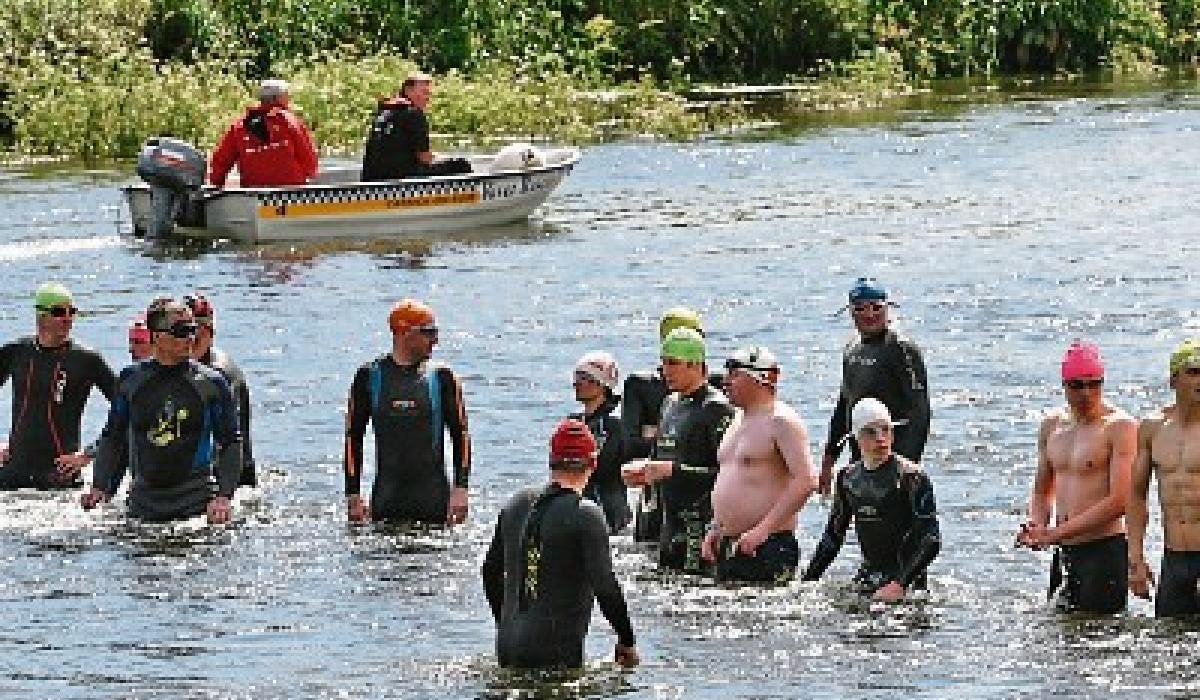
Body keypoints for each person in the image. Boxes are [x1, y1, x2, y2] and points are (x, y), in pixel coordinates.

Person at [482, 419, 638, 669]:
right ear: (593, 463)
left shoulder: (517, 504)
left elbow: (490, 571)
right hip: (554, 655)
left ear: (551, 460)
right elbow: (605, 586)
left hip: (507, 647)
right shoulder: (586, 515)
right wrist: (627, 640)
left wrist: (509, 624)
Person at [81, 298, 242, 523]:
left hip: (195, 506)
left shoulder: (212, 383)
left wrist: (224, 496)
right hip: (142, 506)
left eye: (192, 329)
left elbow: (230, 441)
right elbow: (113, 437)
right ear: (156, 335)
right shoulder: (130, 380)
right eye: (181, 331)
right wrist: (99, 487)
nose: (190, 337)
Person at [1016, 340, 1135, 614]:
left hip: (1104, 549)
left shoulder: (1120, 426)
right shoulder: (1052, 425)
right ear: (1064, 385)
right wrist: (1036, 526)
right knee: (1062, 641)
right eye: (1077, 385)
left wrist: (1054, 533)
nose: (1087, 393)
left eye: (1095, 384)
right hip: (1064, 551)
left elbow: (1120, 501)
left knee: (1100, 645)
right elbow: (1042, 491)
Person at [343, 299, 471, 524]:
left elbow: (461, 436)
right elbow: (353, 438)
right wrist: (353, 495)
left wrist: (461, 489)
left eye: (435, 332)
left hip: (434, 502)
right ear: (404, 333)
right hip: (386, 500)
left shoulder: (442, 378)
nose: (436, 340)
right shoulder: (370, 376)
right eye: (428, 333)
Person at [802, 398, 940, 599]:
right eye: (871, 432)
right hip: (869, 577)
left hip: (908, 582)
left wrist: (900, 584)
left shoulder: (911, 477)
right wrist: (807, 583)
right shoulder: (848, 478)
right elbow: (833, 537)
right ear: (856, 437)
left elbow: (931, 539)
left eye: (886, 430)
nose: (881, 438)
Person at [622, 327, 734, 573]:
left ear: (695, 365)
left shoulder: (716, 408)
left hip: (702, 530)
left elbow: (730, 477)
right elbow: (659, 459)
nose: (665, 370)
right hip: (669, 528)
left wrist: (673, 471)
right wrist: (643, 473)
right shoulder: (670, 403)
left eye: (673, 363)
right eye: (663, 363)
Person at [702, 346, 817, 584]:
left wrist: (762, 530)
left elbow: (806, 481)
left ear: (763, 378)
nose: (726, 381)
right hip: (729, 545)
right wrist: (715, 528)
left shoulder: (781, 421)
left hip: (766, 545)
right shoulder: (736, 420)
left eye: (735, 373)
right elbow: (730, 478)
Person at [819, 277, 930, 495]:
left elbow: (920, 413)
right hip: (862, 459)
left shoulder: (901, 347)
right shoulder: (852, 349)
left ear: (888, 308)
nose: (870, 315)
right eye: (860, 309)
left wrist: (906, 468)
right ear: (850, 312)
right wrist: (828, 461)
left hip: (893, 460)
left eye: (877, 308)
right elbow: (844, 408)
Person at [0, 282, 115, 490]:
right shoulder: (15, 352)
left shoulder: (87, 359)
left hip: (60, 480)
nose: (67, 318)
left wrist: (89, 453)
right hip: (12, 476)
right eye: (59, 312)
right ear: (41, 316)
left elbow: (128, 408)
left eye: (72, 312)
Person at [1128, 339, 1200, 616]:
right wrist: (1135, 558)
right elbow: (1136, 496)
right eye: (1193, 372)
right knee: (1168, 648)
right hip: (1174, 560)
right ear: (1173, 380)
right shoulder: (1152, 428)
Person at [621, 306, 704, 542]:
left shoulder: (714, 393)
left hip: (694, 499)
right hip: (656, 494)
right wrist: (676, 443)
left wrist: (659, 436)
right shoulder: (642, 385)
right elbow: (631, 448)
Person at [185, 294, 256, 488]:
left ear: (211, 334)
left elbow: (230, 438)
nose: (189, 341)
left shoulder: (220, 375)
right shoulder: (182, 369)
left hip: (234, 478)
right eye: (184, 333)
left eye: (196, 334)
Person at [361, 72, 472, 181]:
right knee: (461, 164)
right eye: (424, 92)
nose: (427, 97)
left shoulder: (384, 112)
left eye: (429, 93)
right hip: (400, 178)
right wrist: (438, 157)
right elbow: (424, 158)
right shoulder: (414, 114)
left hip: (371, 177)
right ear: (408, 91)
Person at [209, 78, 319, 188]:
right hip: (291, 192)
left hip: (253, 194)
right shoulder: (290, 121)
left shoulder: (240, 125)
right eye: (287, 96)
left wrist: (216, 183)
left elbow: (221, 160)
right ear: (280, 98)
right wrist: (310, 174)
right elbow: (308, 156)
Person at [570, 351, 630, 534]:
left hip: (608, 513)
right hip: (581, 509)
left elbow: (600, 467)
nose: (576, 383)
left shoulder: (613, 423)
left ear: (602, 384)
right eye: (576, 376)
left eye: (584, 377)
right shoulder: (574, 421)